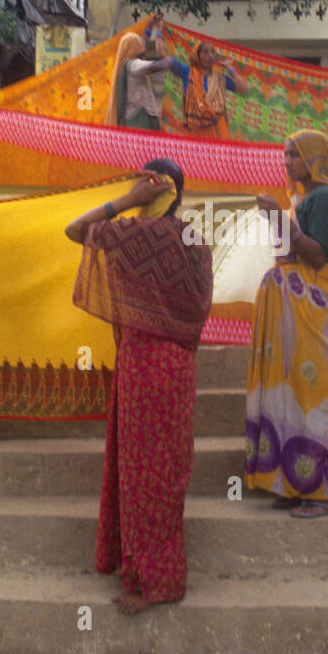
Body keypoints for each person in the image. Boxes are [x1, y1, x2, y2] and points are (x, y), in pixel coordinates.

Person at [66, 159, 214, 614]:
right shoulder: (193, 238)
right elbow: (200, 307)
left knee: (139, 473)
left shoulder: (132, 232)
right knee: (165, 471)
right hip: (177, 366)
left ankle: (149, 579)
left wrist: (125, 202)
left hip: (141, 362)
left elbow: (75, 230)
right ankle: (155, 575)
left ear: (150, 189)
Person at [245, 129, 328, 518]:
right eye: (285, 155)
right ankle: (298, 484)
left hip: (320, 319)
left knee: (318, 398)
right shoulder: (307, 199)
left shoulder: (325, 198)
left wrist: (277, 221)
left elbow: (317, 257)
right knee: (299, 396)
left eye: (295, 155)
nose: (287, 162)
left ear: (314, 160)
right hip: (301, 319)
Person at [165, 40, 249, 139]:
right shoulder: (187, 72)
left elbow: (244, 89)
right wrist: (158, 32)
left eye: (212, 52)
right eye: (205, 52)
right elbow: (166, 59)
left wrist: (230, 68)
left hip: (217, 131)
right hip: (194, 131)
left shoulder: (219, 78)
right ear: (197, 55)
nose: (210, 55)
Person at [103, 13, 169, 130]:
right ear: (133, 47)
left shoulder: (126, 66)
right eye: (139, 44)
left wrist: (151, 28)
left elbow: (150, 54)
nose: (142, 47)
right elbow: (156, 63)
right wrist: (166, 56)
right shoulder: (133, 65)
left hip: (134, 119)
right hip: (138, 121)